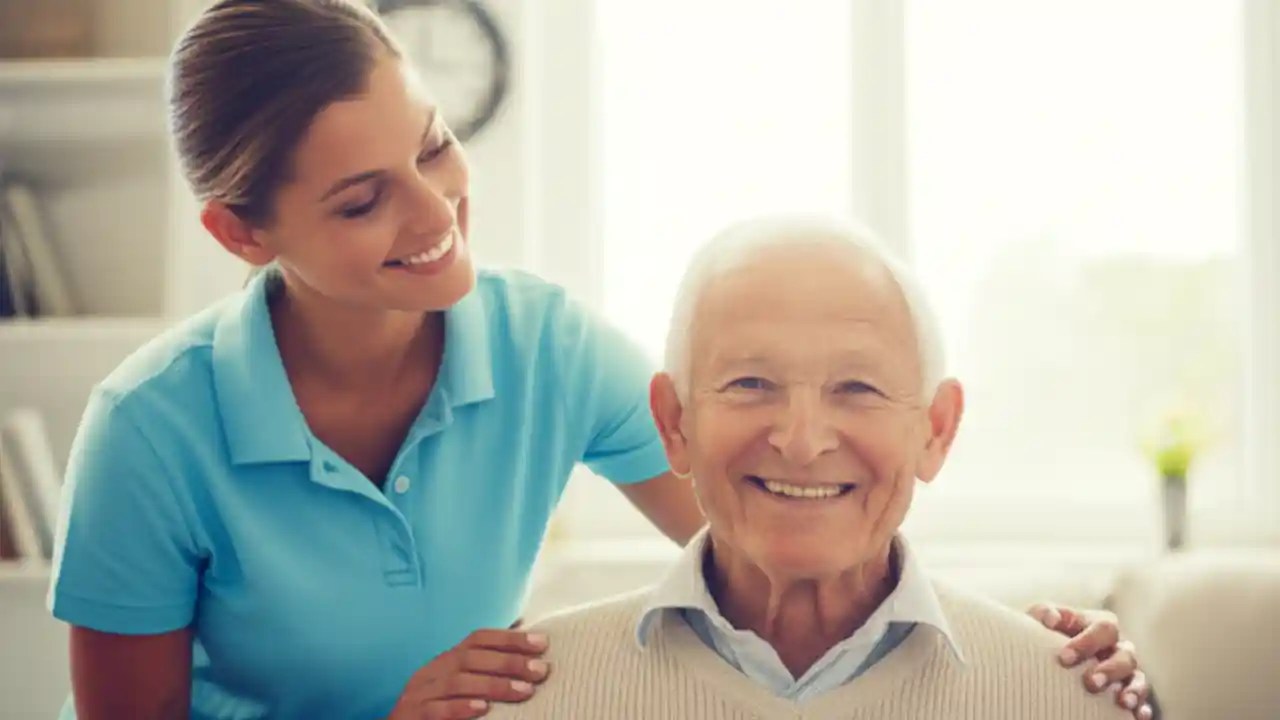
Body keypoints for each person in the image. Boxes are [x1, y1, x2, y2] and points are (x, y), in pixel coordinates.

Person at [47, 2, 1149, 719]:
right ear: (243, 235)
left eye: (430, 144)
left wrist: (1029, 651)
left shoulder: (540, 345)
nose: (437, 211)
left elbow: (781, 521)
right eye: (361, 199)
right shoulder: (150, 429)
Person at [486, 215, 1153, 720]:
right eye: (750, 383)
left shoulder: (1072, 697)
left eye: (857, 388)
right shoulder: (524, 697)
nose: (802, 442)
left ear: (936, 429)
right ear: (673, 422)